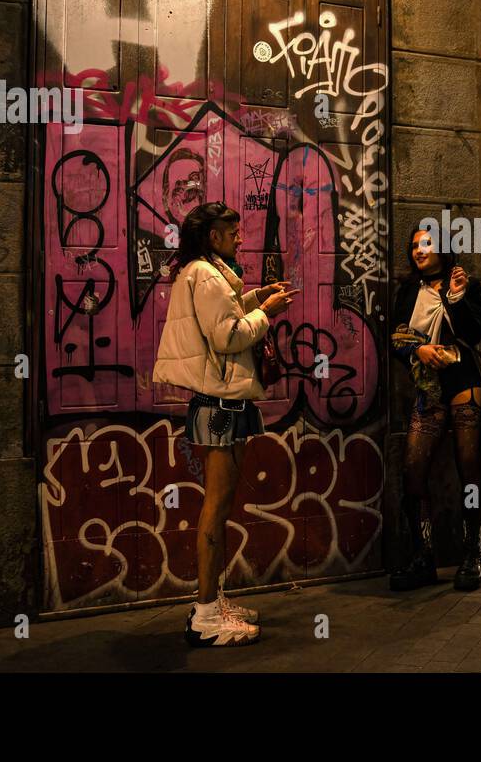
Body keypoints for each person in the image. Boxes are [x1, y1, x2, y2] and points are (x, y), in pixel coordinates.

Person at [152, 201, 297, 646]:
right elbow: (228, 336)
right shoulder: (208, 275)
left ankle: (213, 599)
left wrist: (255, 299)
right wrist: (268, 311)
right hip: (221, 406)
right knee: (216, 507)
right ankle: (206, 614)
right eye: (233, 232)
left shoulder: (204, 272)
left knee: (221, 503)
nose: (240, 238)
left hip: (221, 404)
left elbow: (226, 317)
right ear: (213, 236)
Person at [391, 225, 481, 591]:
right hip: (428, 389)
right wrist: (417, 350)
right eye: (414, 244)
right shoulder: (407, 291)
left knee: (469, 467)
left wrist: (456, 297)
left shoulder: (466, 285)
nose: (419, 250)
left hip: (464, 383)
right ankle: (423, 557)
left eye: (427, 244)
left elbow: (474, 333)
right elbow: (396, 337)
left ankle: (472, 555)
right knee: (413, 470)